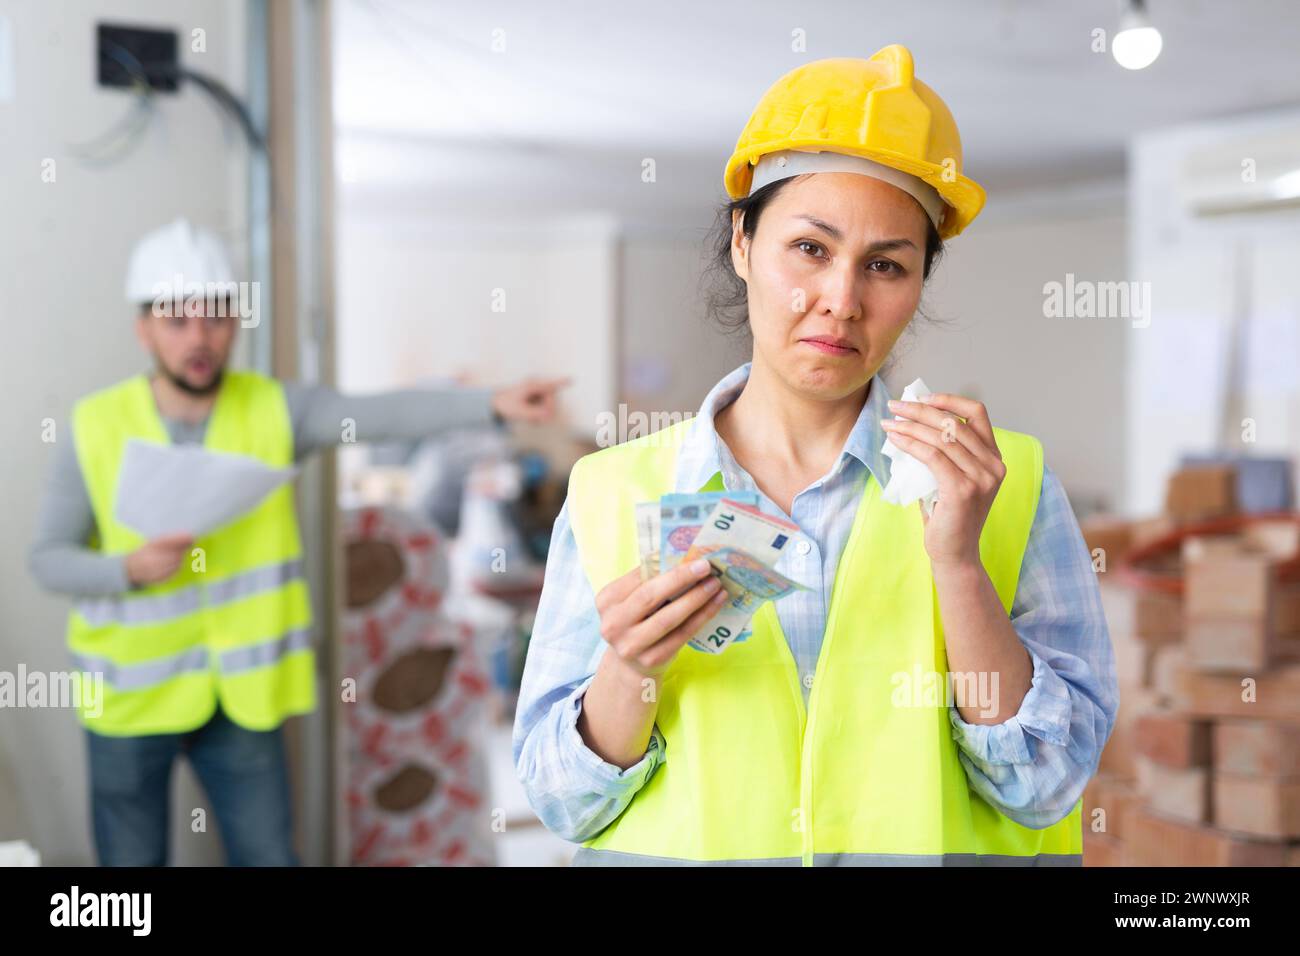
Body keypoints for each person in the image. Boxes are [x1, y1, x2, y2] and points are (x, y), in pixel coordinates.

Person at [513, 46, 1118, 866]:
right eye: (810, 248)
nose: (841, 298)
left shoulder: (1004, 481)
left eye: (886, 266)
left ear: (917, 287)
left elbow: (1044, 786)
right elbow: (562, 802)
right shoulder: (609, 490)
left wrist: (959, 568)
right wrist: (629, 666)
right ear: (743, 243)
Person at [29, 217, 567, 866]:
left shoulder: (276, 410)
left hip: (243, 701)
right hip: (129, 700)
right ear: (144, 327)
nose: (199, 338)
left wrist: (493, 405)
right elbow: (48, 560)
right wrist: (128, 569)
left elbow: (378, 413)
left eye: (216, 317)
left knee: (269, 859)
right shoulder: (95, 425)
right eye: (177, 321)